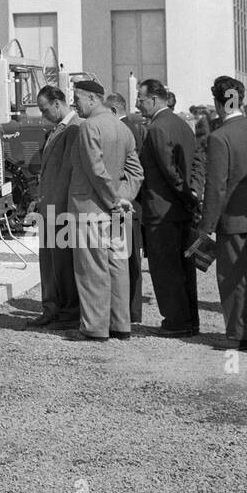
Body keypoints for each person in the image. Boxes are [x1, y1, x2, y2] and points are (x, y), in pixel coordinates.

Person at [190, 75, 247, 351]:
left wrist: (207, 225)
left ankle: (243, 333)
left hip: (232, 218)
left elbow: (216, 186)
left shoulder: (219, 137)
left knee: (235, 277)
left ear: (218, 103)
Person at [66, 79, 143, 342]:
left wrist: (113, 199)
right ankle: (121, 325)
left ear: (92, 98)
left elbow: (96, 170)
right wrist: (123, 198)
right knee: (117, 265)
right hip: (117, 211)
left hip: (91, 208)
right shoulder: (123, 129)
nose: (74, 103)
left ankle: (94, 328)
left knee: (91, 269)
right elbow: (136, 172)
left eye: (77, 98)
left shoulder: (89, 126)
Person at [136, 77, 200, 336]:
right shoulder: (182, 125)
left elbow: (169, 172)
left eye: (141, 99)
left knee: (166, 269)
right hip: (180, 210)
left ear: (153, 99)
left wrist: (186, 195)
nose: (138, 104)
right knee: (185, 268)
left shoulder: (157, 129)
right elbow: (192, 165)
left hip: (163, 210)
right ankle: (189, 319)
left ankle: (176, 321)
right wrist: (192, 197)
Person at [25, 85, 81, 329]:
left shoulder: (74, 129)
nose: (43, 115)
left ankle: (66, 313)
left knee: (62, 265)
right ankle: (52, 309)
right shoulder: (58, 130)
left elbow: (67, 173)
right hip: (49, 207)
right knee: (50, 262)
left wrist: (55, 210)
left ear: (58, 104)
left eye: (45, 109)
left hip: (59, 210)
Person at [109, 92, 147, 324]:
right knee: (129, 259)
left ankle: (125, 311)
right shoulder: (134, 127)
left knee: (123, 258)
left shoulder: (121, 131)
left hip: (124, 203)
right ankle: (131, 311)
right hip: (132, 203)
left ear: (113, 111)